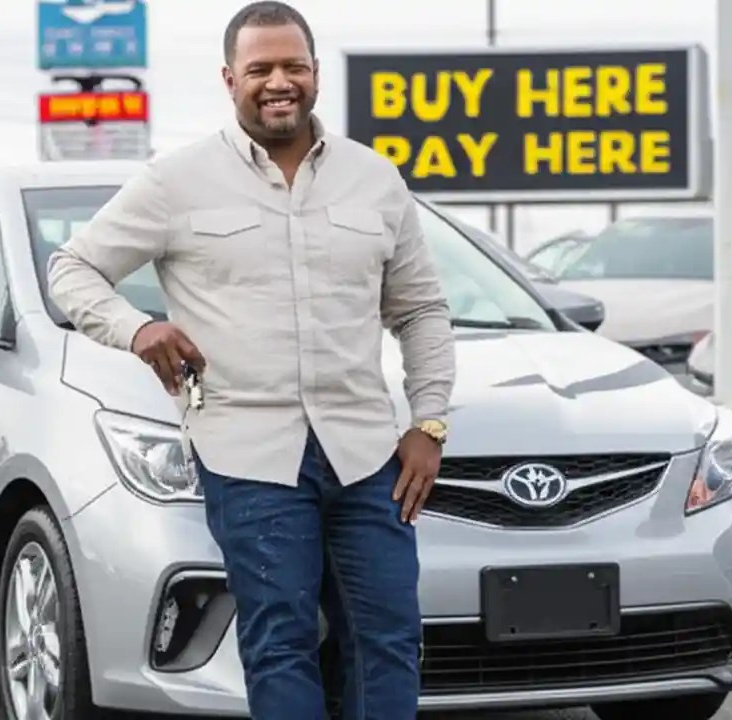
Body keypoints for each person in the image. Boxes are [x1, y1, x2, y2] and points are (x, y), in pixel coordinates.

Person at [45, 2, 455, 717]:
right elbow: (72, 268)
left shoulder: (375, 179)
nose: (278, 81)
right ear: (230, 78)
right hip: (248, 455)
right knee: (280, 641)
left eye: (293, 66)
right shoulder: (176, 181)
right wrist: (137, 330)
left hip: (364, 454)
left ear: (316, 75)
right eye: (260, 68)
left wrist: (430, 422)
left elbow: (420, 309)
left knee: (388, 635)